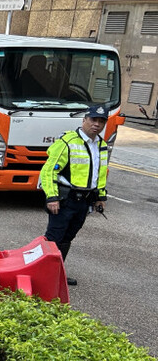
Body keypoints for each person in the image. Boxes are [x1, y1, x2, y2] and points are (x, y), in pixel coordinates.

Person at [39, 104, 110, 286]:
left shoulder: (101, 145)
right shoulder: (68, 142)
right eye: (93, 119)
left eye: (101, 121)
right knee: (54, 237)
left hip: (84, 201)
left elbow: (100, 174)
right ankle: (42, 275)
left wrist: (101, 197)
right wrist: (52, 197)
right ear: (84, 119)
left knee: (68, 237)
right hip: (65, 200)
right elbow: (48, 171)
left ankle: (56, 274)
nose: (97, 124)